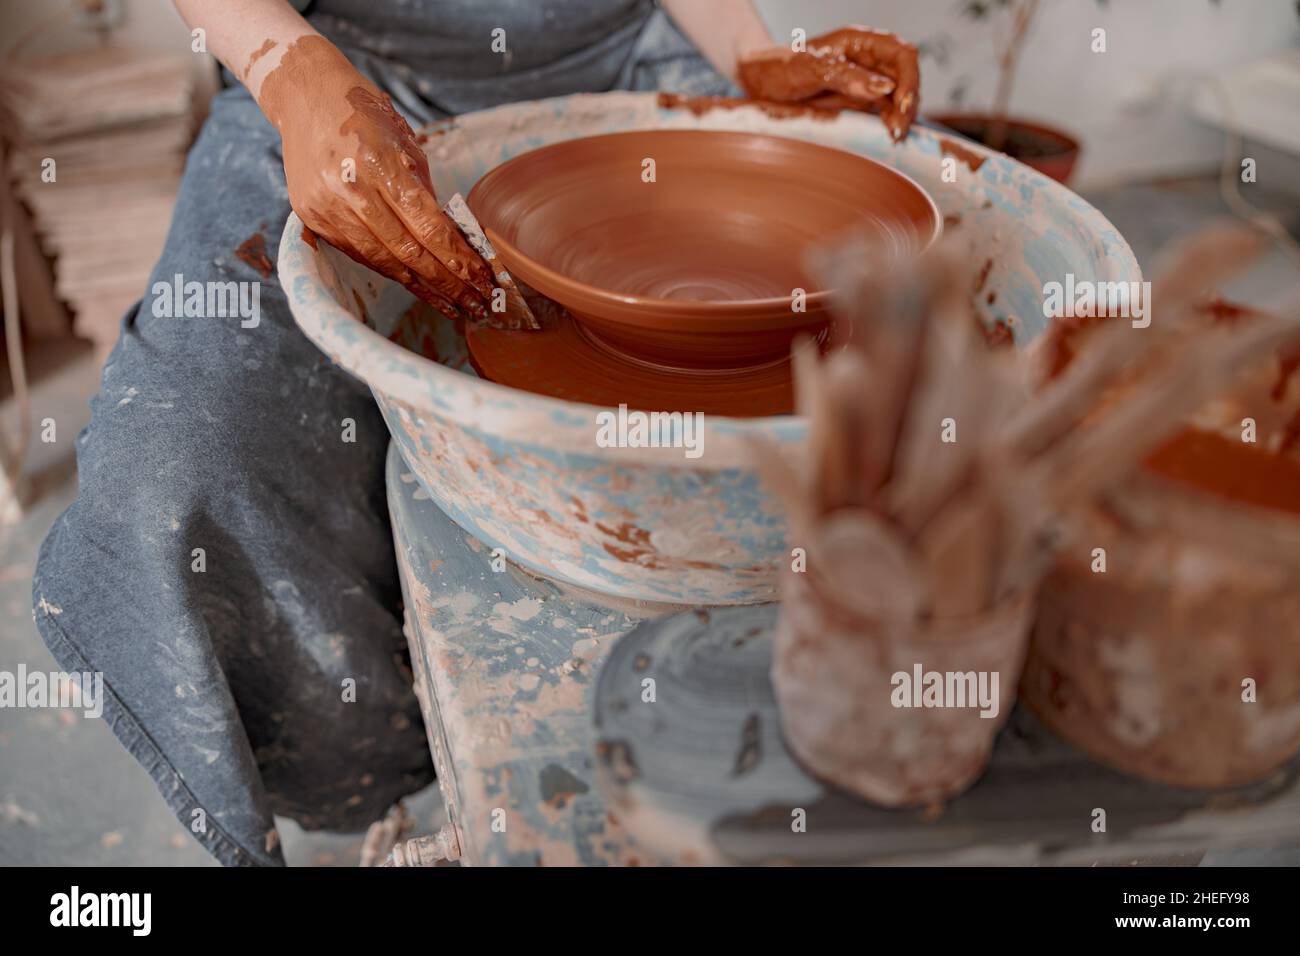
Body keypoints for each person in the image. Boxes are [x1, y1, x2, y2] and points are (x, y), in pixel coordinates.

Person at [32, 0, 919, 866]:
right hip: (342, 71)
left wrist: (747, 46)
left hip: (630, 63)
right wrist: (285, 74)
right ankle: (370, 766)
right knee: (175, 471)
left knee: (901, 367)